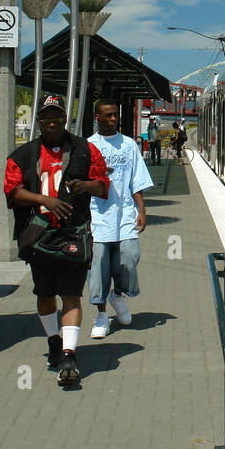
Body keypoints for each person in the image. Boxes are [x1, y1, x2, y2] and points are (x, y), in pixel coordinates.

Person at [4, 96, 110, 388]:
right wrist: (44, 200)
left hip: (74, 233)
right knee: (45, 293)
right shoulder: (22, 155)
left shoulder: (86, 151)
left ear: (65, 119)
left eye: (56, 117)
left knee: (72, 295)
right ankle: (53, 340)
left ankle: (68, 354)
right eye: (45, 118)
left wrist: (84, 185)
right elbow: (13, 192)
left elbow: (102, 186)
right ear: (38, 121)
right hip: (38, 237)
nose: (51, 123)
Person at [86, 99, 153, 338]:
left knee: (129, 257)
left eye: (115, 115)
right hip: (98, 217)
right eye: (108, 115)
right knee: (98, 269)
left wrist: (141, 210)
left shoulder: (128, 145)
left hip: (125, 214)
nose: (113, 119)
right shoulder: (88, 146)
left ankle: (118, 294)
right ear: (98, 118)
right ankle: (102, 315)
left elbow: (136, 180)